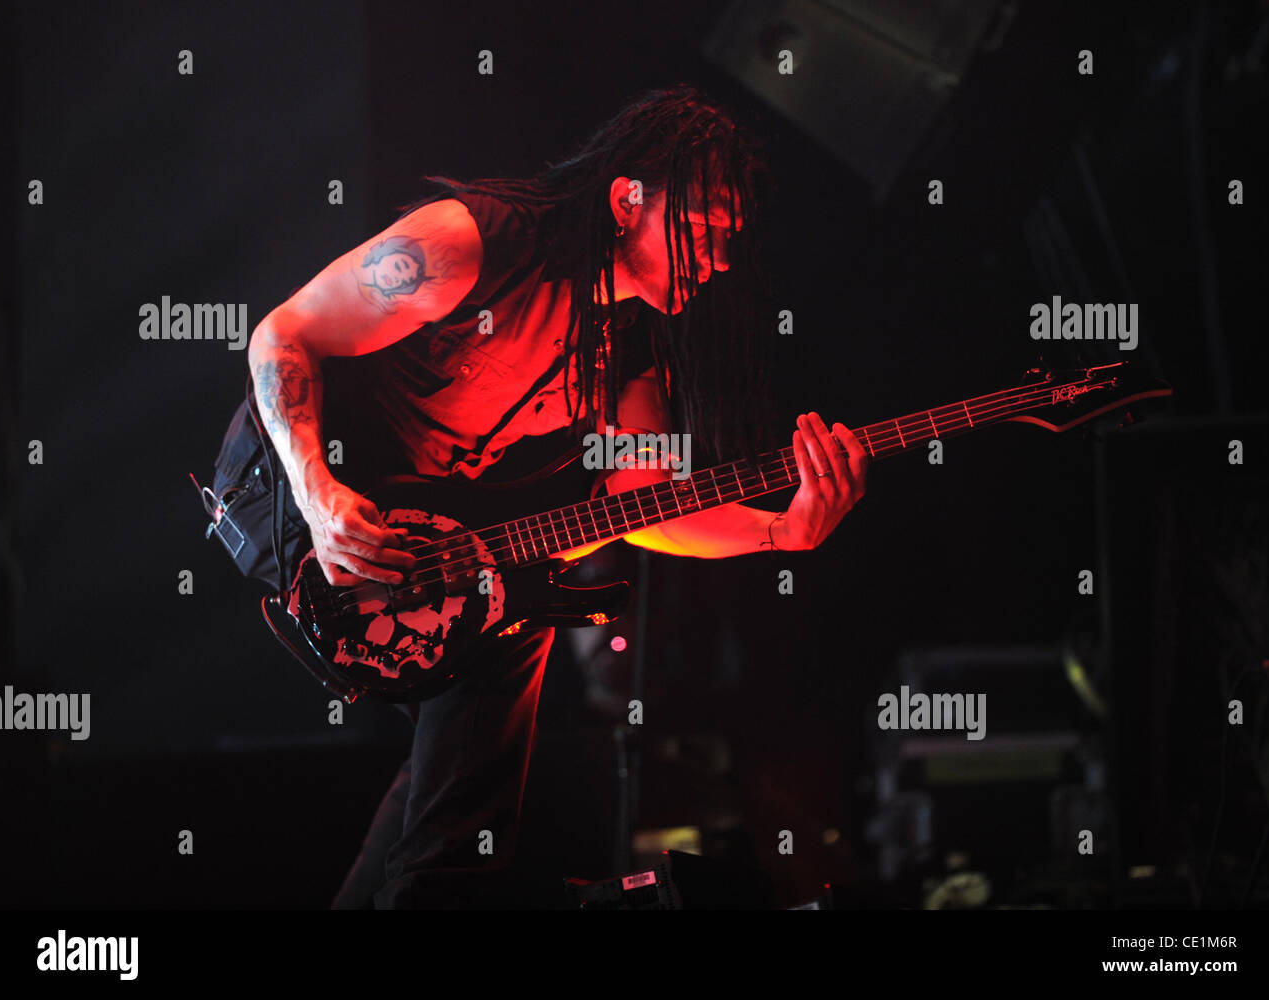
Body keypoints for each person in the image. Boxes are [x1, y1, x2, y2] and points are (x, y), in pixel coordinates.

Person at [246, 84, 868, 908]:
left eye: (731, 239)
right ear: (626, 200)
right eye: (708, 227)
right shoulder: (473, 242)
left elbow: (647, 499)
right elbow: (281, 335)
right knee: (479, 738)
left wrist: (780, 534)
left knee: (462, 749)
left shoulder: (633, 338)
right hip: (296, 501)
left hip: (435, 553)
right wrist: (321, 497)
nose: (720, 257)